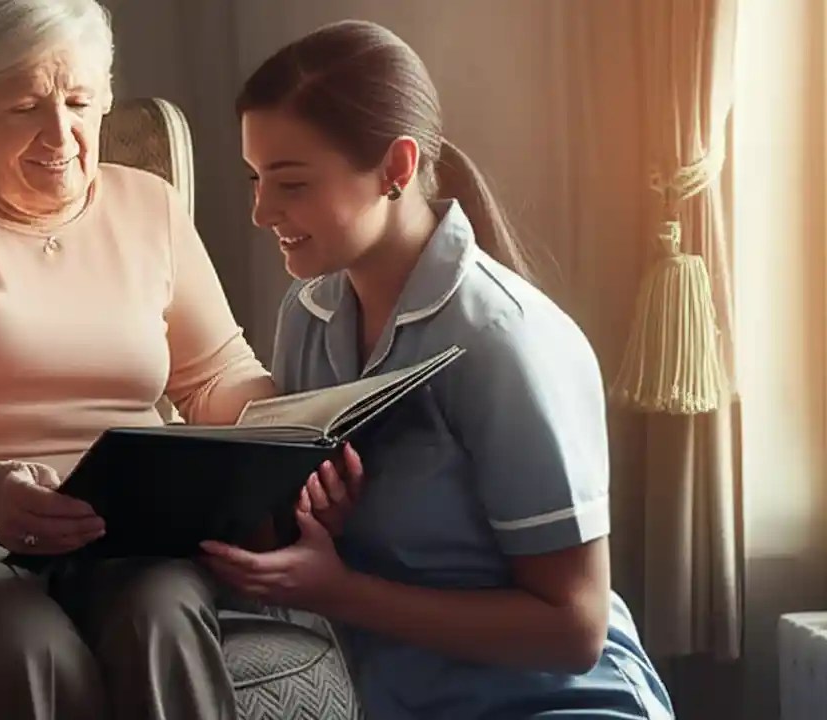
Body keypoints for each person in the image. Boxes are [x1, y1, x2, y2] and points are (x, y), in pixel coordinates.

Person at [0, 1, 304, 718]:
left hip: (125, 530)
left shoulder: (150, 206)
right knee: (25, 643)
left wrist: (294, 434)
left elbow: (214, 377)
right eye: (24, 107)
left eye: (80, 101)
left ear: (105, 95)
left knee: (164, 611)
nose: (62, 134)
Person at [201, 20, 676, 719]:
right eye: (255, 178)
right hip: (399, 697)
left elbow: (575, 630)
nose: (261, 211)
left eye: (291, 183)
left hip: (553, 704)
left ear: (395, 169)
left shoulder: (503, 340)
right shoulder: (308, 315)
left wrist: (337, 590)